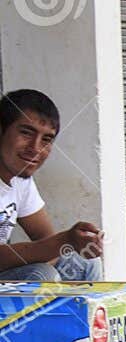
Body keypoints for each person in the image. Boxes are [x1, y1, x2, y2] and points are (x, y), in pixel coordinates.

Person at [0, 89, 103, 278]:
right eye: (26, 133)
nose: (35, 148)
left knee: (84, 261)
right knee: (42, 275)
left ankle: (88, 308)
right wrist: (64, 241)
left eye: (46, 140)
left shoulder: (20, 181)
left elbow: (45, 239)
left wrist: (77, 241)